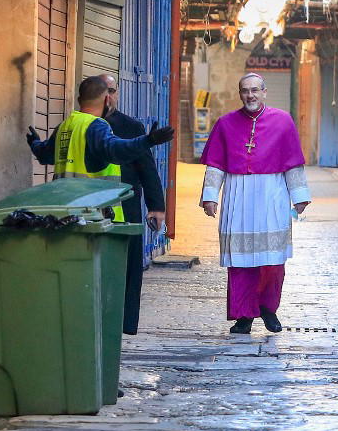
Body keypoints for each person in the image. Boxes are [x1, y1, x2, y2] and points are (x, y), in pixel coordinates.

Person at [200, 73, 311, 334]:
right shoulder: (225, 124)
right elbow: (215, 164)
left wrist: (299, 195)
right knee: (240, 261)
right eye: (245, 91)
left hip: (271, 195)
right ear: (240, 94)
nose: (250, 95)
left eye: (255, 90)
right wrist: (209, 196)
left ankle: (268, 309)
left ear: (264, 92)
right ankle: (243, 316)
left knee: (272, 261)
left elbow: (293, 161)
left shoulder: (283, 121)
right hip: (238, 195)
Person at [95, 73, 167, 335]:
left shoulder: (130, 126)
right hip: (88, 210)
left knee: (129, 268)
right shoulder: (80, 124)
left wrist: (156, 206)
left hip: (127, 208)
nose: (108, 97)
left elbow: (147, 169)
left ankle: (125, 324)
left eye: (112, 91)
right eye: (103, 91)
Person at [27, 77, 174, 187]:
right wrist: (148, 140)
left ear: (79, 100)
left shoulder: (64, 126)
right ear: (107, 100)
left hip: (64, 211)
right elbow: (116, 150)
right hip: (92, 212)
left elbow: (45, 155)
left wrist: (34, 143)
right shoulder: (96, 126)